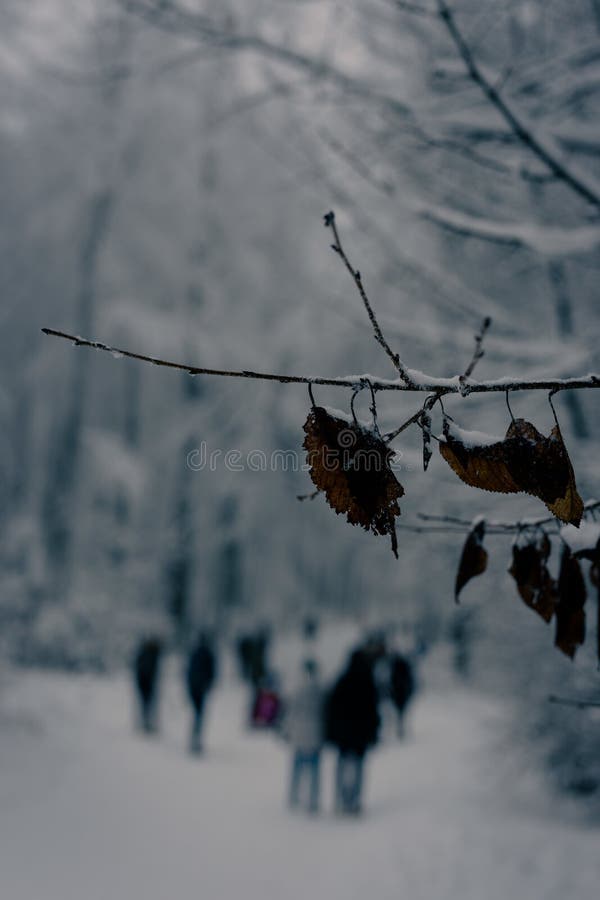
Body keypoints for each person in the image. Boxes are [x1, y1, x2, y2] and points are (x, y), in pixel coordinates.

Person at [326, 649, 380, 815]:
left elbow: (332, 707)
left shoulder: (342, 680)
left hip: (343, 733)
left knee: (342, 766)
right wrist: (374, 731)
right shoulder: (368, 681)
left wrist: (332, 731)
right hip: (361, 734)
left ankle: (340, 798)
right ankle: (354, 800)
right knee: (358, 767)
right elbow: (373, 709)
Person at [285, 659, 324, 814]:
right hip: (315, 733)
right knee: (314, 769)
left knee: (297, 766)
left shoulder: (297, 689)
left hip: (299, 733)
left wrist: (288, 730)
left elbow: (290, 711)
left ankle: (294, 795)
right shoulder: (320, 689)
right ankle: (312, 800)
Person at [186, 632, 217, 753]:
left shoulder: (195, 652)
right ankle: (196, 738)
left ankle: (195, 738)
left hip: (195, 687)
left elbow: (189, 671)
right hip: (199, 688)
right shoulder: (208, 654)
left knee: (197, 713)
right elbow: (212, 672)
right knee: (199, 714)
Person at [133, 636, 163, 733]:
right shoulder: (150, 655)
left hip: (145, 683)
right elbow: (146, 670)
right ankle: (146, 723)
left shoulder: (145, 654)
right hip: (147, 683)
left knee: (146, 704)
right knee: (148, 704)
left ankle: (146, 723)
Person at [389, 651, 415, 737]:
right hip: (400, 694)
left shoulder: (396, 668)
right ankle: (400, 729)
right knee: (400, 714)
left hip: (400, 694)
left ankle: (400, 729)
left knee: (400, 714)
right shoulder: (400, 668)